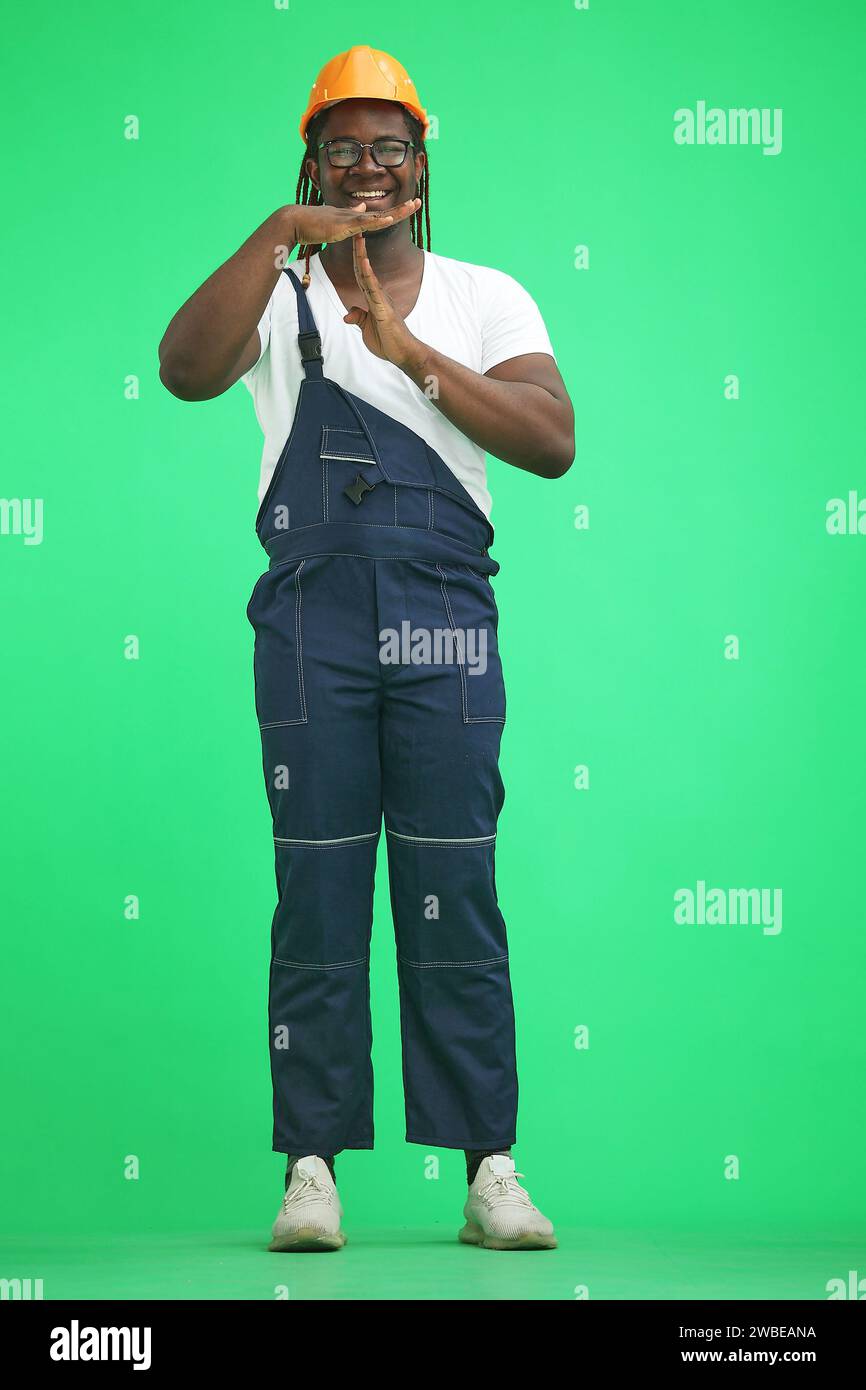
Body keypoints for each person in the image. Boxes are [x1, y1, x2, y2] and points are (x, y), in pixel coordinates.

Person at [159, 44, 574, 1253]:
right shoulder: (275, 303)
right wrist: (280, 233)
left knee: (456, 884)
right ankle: (310, 1168)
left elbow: (550, 440)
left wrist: (411, 358)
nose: (368, 165)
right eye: (341, 147)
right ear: (312, 160)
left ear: (421, 163)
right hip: (310, 625)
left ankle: (488, 1164)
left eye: (389, 145)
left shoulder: (482, 296)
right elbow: (184, 369)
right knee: (318, 889)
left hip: (444, 613)